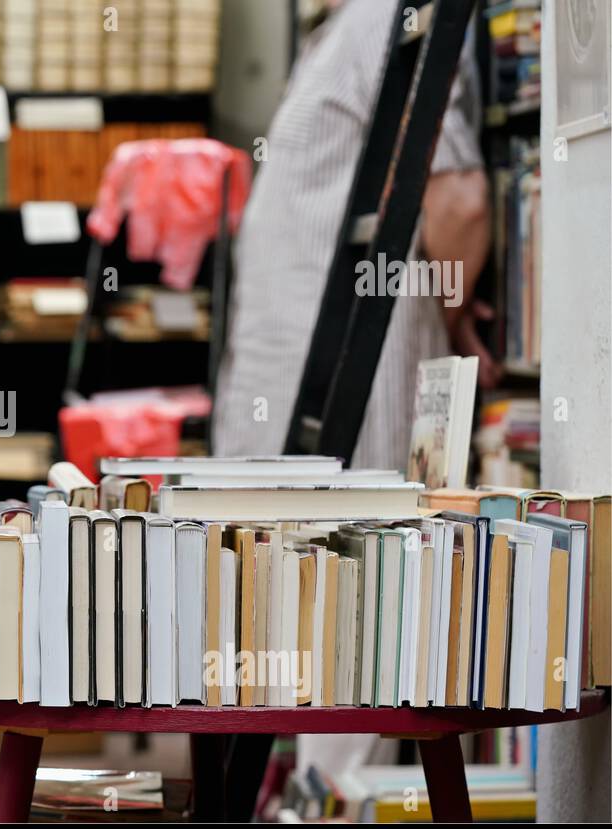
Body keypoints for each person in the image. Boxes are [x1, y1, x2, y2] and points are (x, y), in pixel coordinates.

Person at [210, 0, 499, 782]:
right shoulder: (379, 22)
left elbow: (454, 196)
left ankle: (314, 794)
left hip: (313, 375)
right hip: (339, 371)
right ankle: (323, 796)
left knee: (313, 616)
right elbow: (462, 202)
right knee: (358, 612)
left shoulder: (367, 23)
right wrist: (461, 317)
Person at [212, 0, 500, 470]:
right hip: (297, 390)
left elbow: (459, 202)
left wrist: (450, 314)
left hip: (350, 389)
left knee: (354, 537)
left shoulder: (381, 17)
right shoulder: (336, 31)